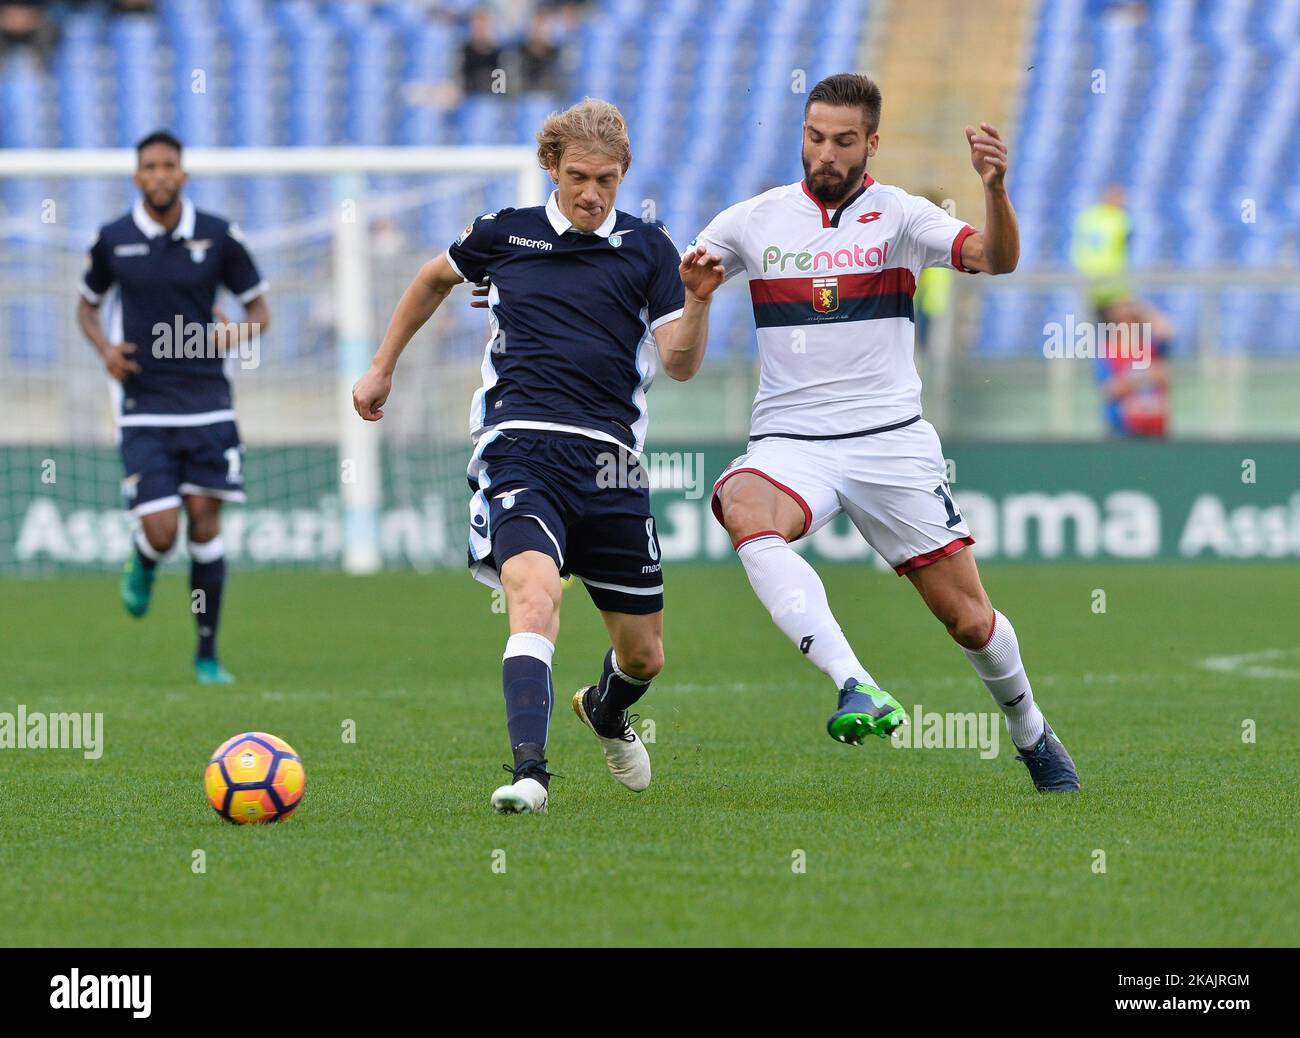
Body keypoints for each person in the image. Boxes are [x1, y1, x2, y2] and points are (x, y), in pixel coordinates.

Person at [686, 73, 1080, 792]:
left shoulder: (901, 216)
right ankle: (855, 683)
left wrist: (993, 188)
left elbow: (997, 259)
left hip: (890, 440)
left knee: (967, 619)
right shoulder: (749, 221)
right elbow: (681, 337)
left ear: (872, 143)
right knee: (743, 504)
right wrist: (695, 300)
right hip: (790, 442)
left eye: (842, 141)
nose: (825, 155)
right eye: (814, 138)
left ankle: (1031, 732)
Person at [351, 99, 722, 814]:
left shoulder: (648, 249)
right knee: (532, 596)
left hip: (612, 463)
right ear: (551, 167)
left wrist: (699, 302)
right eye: (578, 176)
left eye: (607, 180)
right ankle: (529, 774)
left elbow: (679, 365)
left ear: (624, 177)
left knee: (644, 655)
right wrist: (382, 366)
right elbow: (432, 279)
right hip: (518, 447)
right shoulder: (504, 235)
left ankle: (606, 709)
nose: (591, 193)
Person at [77, 130, 270, 685]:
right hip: (143, 404)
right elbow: (85, 308)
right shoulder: (113, 239)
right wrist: (106, 350)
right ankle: (143, 559)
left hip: (208, 403)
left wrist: (235, 334)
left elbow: (260, 309)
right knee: (163, 532)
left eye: (169, 166)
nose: (160, 174)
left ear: (182, 174)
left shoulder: (216, 235)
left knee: (206, 525)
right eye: (150, 167)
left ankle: (206, 654)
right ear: (138, 177)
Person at [1096, 296, 1172, 437]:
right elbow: (1110, 389)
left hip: (1156, 429)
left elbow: (1166, 332)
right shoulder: (1107, 351)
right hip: (1123, 432)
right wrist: (1143, 377)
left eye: (1130, 318)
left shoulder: (1150, 347)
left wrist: (1142, 309)